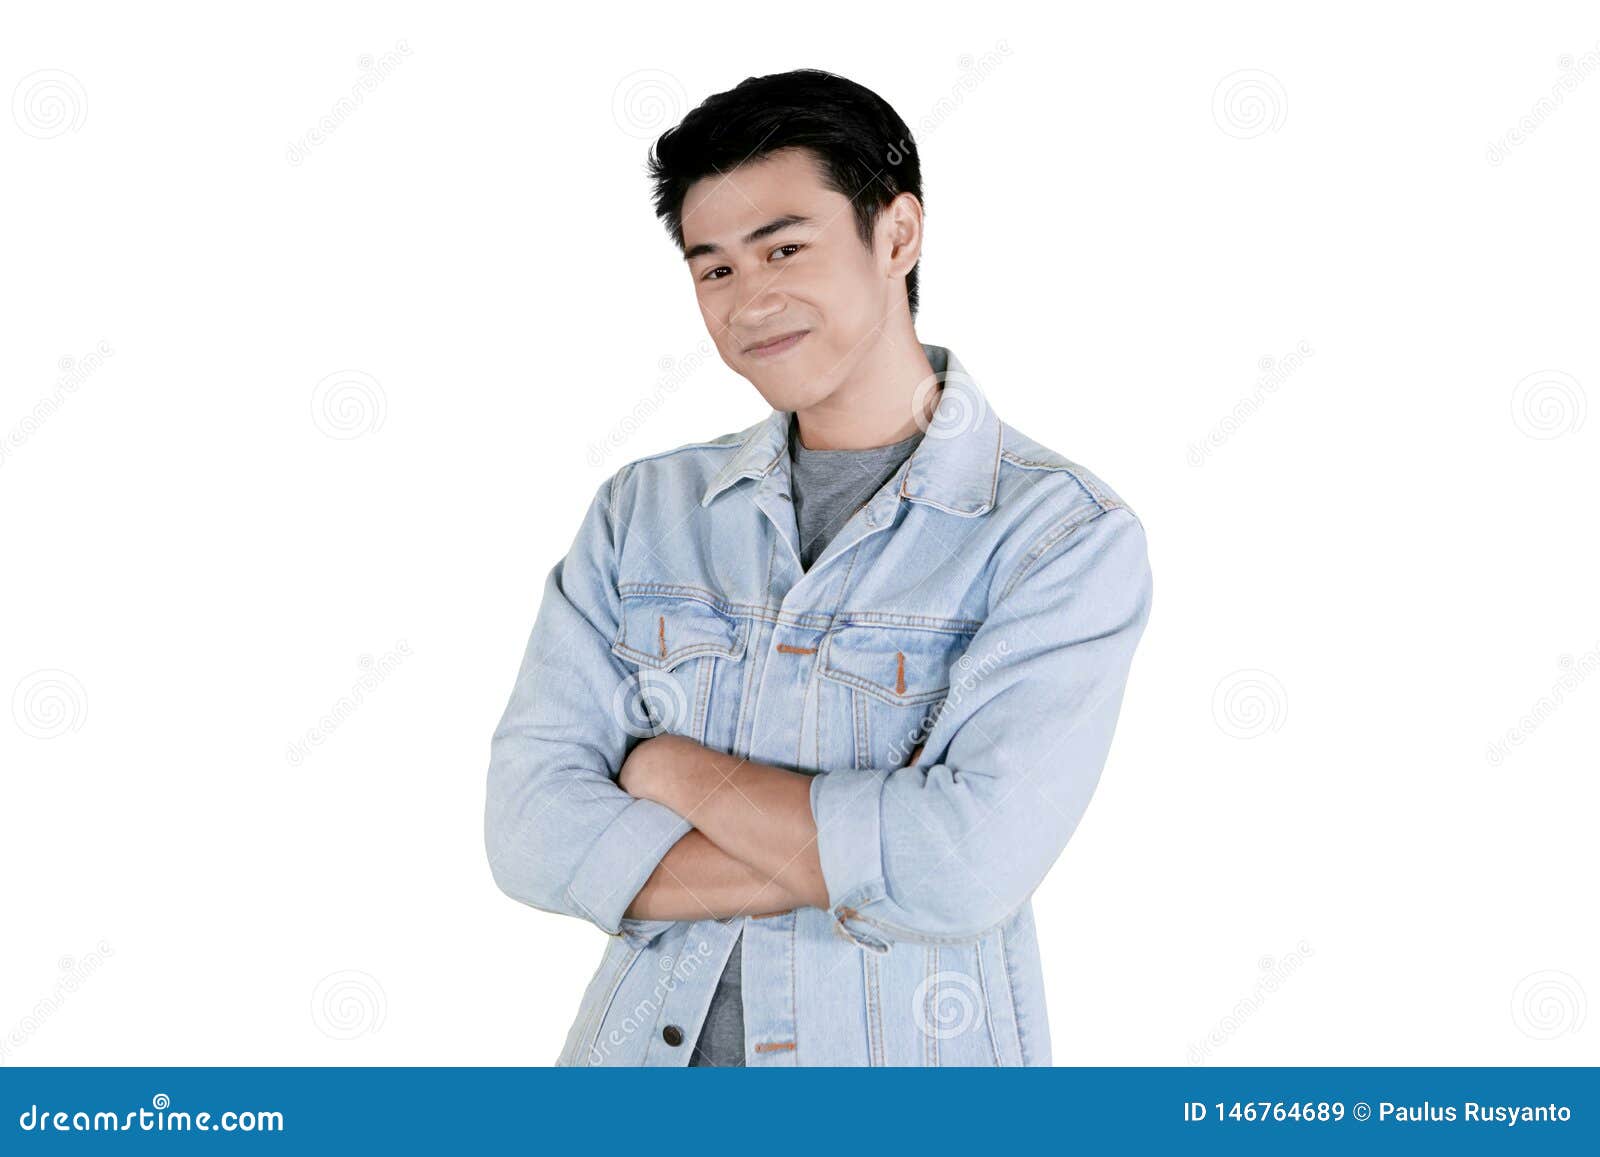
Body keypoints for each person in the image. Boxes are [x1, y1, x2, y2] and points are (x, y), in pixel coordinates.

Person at [484, 69, 1153, 1066]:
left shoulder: (1058, 534)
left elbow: (970, 866)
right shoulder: (644, 510)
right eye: (712, 269)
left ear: (897, 235)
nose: (748, 301)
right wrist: (870, 856)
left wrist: (671, 772)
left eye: (783, 249)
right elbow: (530, 831)